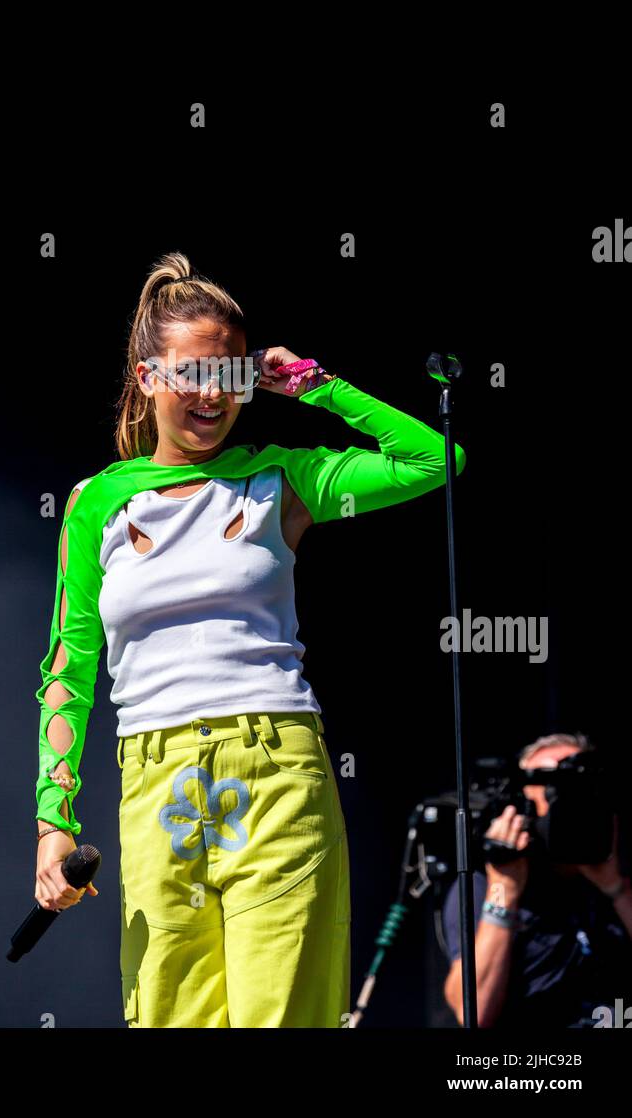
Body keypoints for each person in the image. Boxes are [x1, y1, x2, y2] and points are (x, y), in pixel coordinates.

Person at [33, 251, 467, 1027]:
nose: (212, 396)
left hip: (278, 772)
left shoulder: (280, 478)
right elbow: (69, 667)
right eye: (192, 373)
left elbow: (438, 459)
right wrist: (52, 822)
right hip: (156, 784)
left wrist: (317, 385)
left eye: (230, 377)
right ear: (147, 377)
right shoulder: (94, 504)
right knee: (170, 1016)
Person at [442, 732, 632, 1027]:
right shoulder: (484, 884)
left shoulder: (614, 873)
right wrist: (504, 890)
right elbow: (474, 1012)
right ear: (522, 806)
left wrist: (617, 889)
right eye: (557, 790)